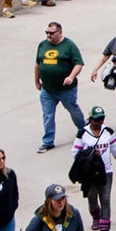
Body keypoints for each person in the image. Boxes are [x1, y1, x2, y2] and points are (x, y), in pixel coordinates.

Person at [72, 106, 116, 231]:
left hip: (106, 171)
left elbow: (114, 149)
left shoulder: (108, 132)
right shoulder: (82, 134)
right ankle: (96, 216)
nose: (99, 122)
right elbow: (75, 153)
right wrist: (90, 154)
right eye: (96, 119)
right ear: (90, 119)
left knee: (105, 199)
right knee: (92, 197)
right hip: (90, 173)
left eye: (101, 119)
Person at [34, 22, 88, 153]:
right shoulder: (42, 45)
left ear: (59, 32)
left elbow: (79, 64)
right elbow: (37, 64)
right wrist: (37, 81)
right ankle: (48, 141)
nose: (48, 35)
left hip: (66, 90)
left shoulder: (69, 46)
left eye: (51, 33)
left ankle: (83, 129)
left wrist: (71, 76)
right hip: (47, 89)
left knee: (73, 109)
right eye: (46, 32)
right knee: (48, 115)